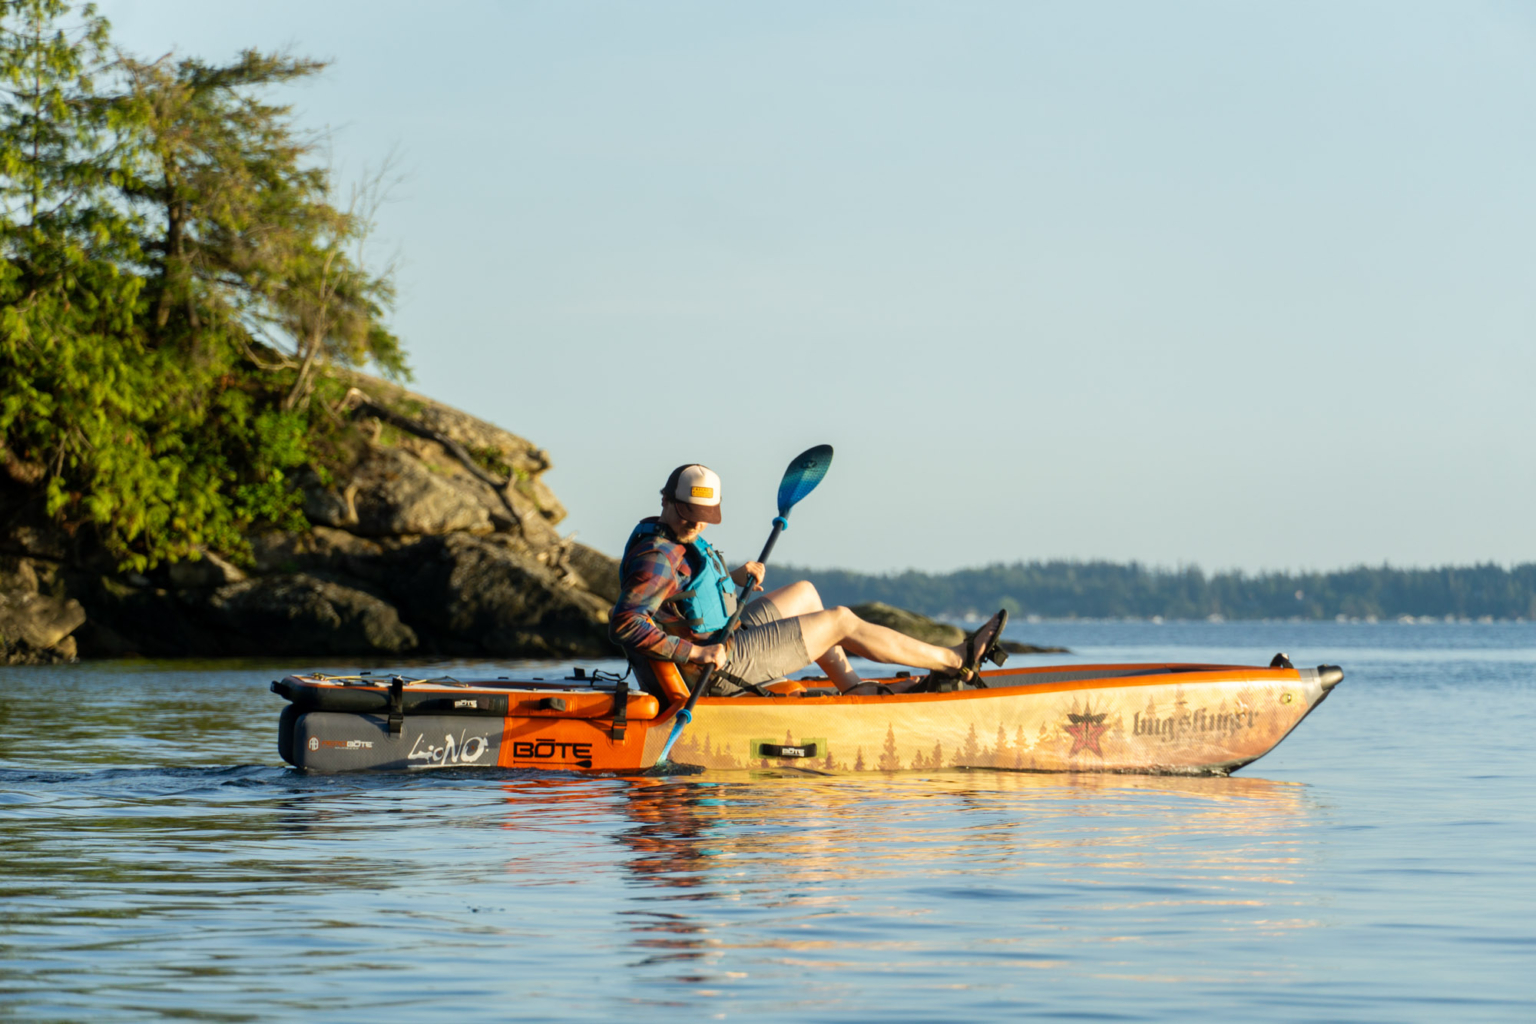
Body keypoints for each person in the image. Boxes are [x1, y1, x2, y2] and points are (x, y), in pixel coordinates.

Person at [609, 463, 1008, 695]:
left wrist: (729, 579)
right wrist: (697, 655)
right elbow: (627, 622)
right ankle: (956, 659)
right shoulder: (657, 558)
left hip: (721, 635)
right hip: (714, 669)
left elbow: (681, 597)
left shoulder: (668, 538)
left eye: (702, 515)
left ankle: (853, 689)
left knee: (805, 593)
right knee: (840, 621)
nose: (695, 522)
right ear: (666, 500)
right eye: (687, 513)